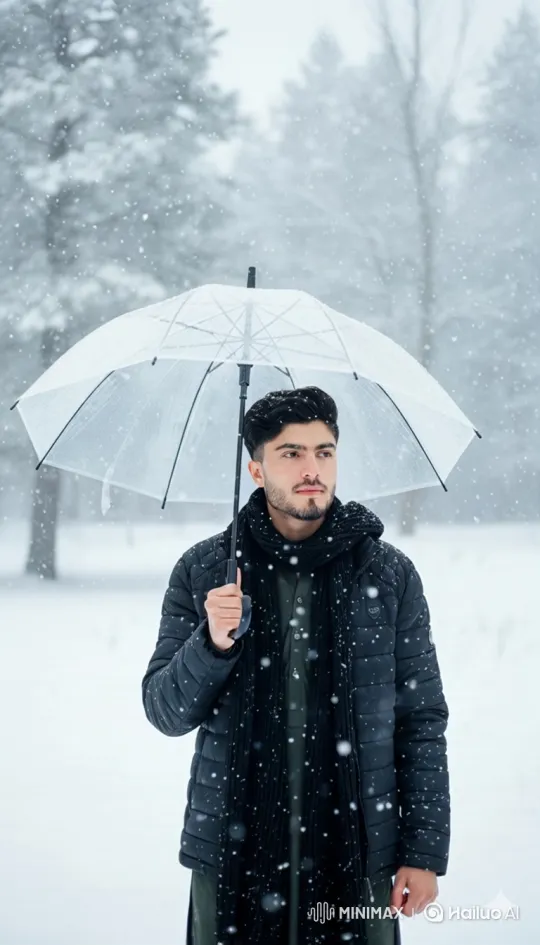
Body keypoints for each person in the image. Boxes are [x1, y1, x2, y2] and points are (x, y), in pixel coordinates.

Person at [141, 386, 450, 945]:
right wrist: (212, 643)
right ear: (257, 469)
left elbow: (421, 719)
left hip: (359, 849)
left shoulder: (387, 573)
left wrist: (422, 852)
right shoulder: (207, 569)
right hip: (232, 851)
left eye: (324, 451)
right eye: (292, 453)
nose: (313, 469)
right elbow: (165, 710)